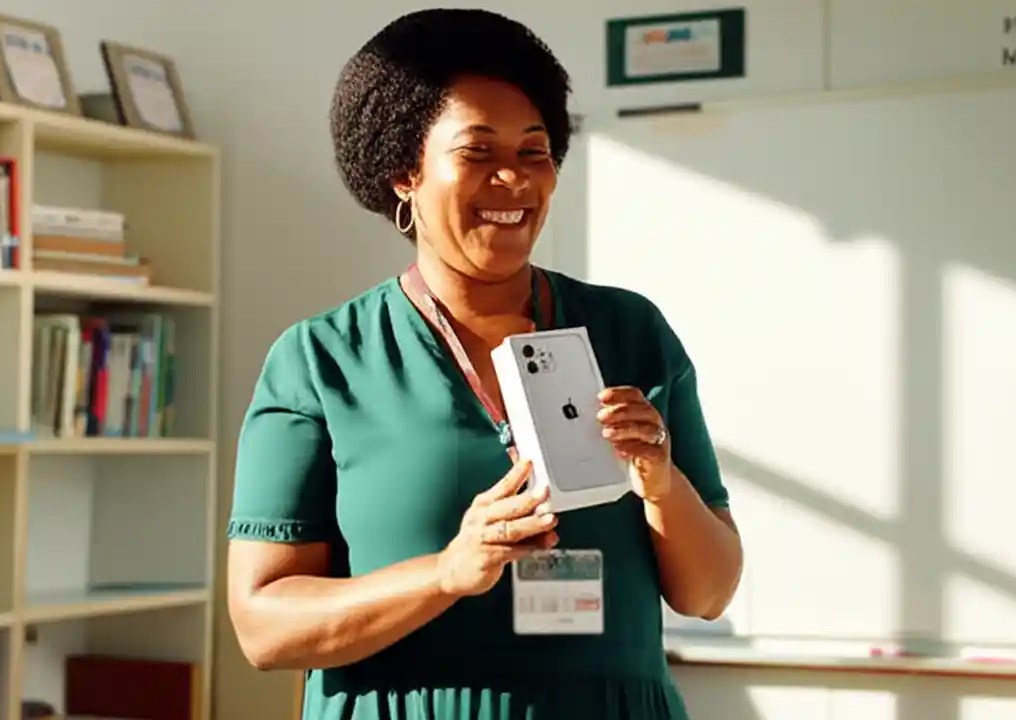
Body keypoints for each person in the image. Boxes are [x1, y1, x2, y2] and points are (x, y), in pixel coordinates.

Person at [225, 8, 744, 719]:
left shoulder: (632, 333)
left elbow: (708, 594)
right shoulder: (321, 361)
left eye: (535, 152)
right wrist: (445, 574)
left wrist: (659, 481)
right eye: (477, 153)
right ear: (403, 171)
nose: (515, 180)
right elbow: (263, 626)